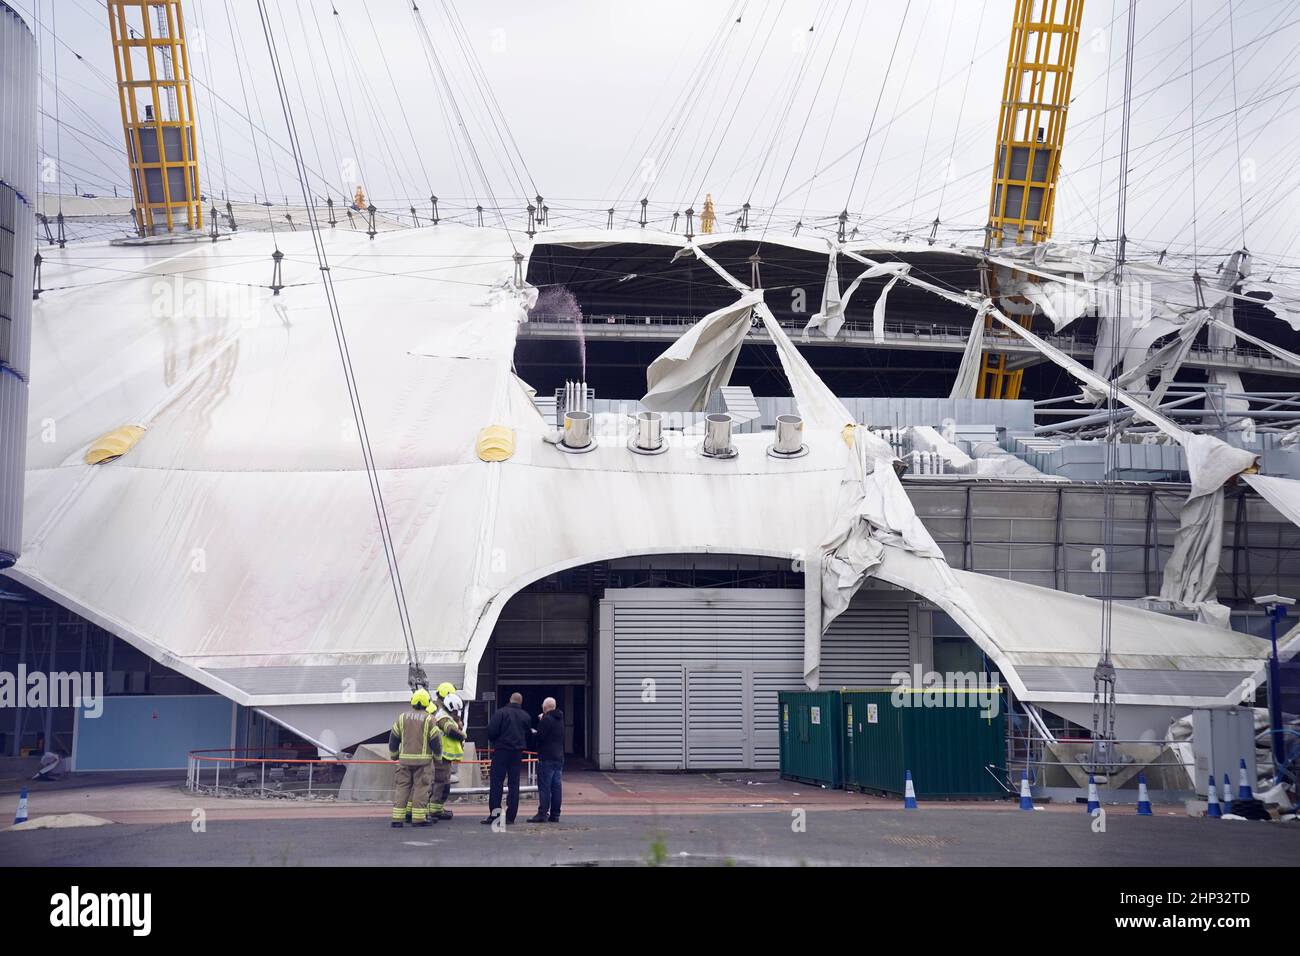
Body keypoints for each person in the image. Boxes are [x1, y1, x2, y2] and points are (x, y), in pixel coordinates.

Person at [388, 688, 442, 828]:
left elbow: (393, 737)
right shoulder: (429, 719)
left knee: (402, 787)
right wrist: (437, 758)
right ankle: (418, 819)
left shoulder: (402, 717)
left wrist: (394, 755)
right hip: (423, 763)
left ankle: (397, 819)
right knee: (421, 788)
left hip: (404, 761)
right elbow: (436, 741)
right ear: (427, 703)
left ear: (412, 701)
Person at [482, 692, 533, 825]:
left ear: (510, 700)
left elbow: (491, 731)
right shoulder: (526, 716)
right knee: (514, 784)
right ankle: (511, 817)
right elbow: (529, 734)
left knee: (497, 783)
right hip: (517, 753)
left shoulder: (500, 713)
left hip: (501, 751)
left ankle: (495, 815)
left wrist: (496, 741)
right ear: (520, 702)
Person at [425, 684, 467, 821]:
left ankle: (437, 808)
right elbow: (449, 729)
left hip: (444, 755)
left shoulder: (444, 712)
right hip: (442, 755)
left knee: (443, 783)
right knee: (440, 782)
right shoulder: (441, 714)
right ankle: (435, 810)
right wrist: (462, 735)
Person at [527, 697, 564, 823]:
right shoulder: (560, 719)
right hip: (558, 758)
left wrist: (534, 732)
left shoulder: (546, 719)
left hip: (547, 757)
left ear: (545, 707)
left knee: (544, 787)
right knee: (556, 787)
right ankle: (555, 813)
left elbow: (540, 737)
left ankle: (542, 813)